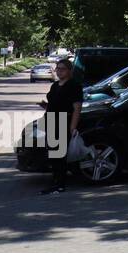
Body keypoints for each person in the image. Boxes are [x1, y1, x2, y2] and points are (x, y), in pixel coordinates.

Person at [40, 57, 82, 195]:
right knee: (53, 155)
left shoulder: (74, 86)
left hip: (64, 121)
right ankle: (55, 182)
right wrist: (45, 105)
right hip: (51, 121)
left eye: (62, 69)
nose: (59, 71)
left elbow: (77, 108)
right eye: (57, 68)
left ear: (69, 71)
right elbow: (54, 103)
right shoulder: (55, 85)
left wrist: (73, 126)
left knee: (60, 155)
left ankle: (61, 184)